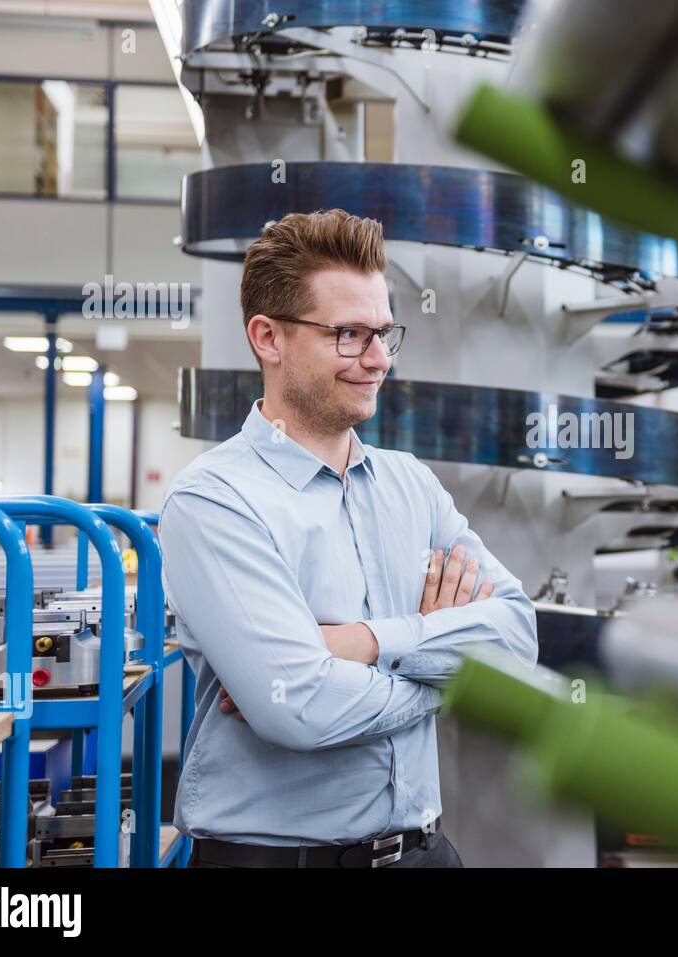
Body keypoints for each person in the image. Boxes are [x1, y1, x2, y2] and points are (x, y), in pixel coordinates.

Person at [159, 209, 538, 867]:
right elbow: (299, 708)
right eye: (349, 334)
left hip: (425, 851)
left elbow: (515, 638)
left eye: (385, 334)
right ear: (268, 337)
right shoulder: (214, 500)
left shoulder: (410, 485)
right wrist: (445, 670)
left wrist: (365, 642)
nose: (377, 359)